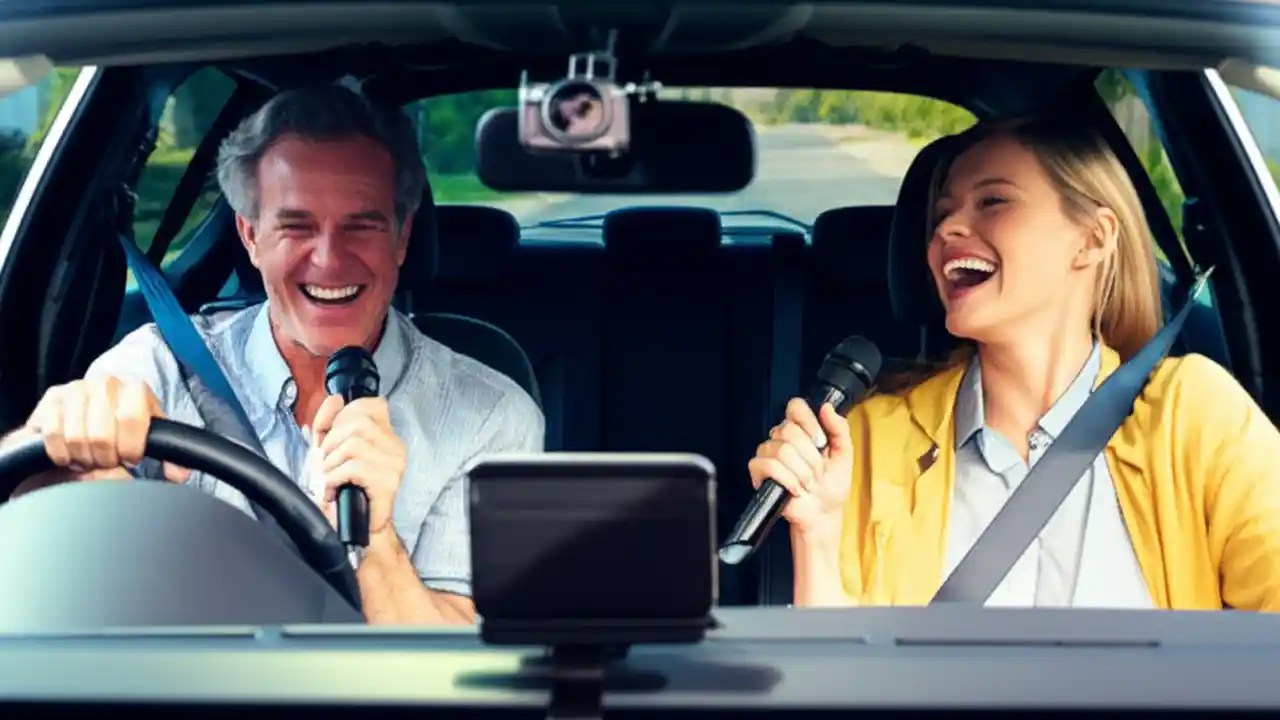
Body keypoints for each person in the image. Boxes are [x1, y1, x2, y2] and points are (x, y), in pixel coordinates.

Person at [0, 85, 546, 625]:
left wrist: (378, 545)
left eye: (362, 225)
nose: (330, 261)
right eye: (296, 226)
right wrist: (53, 445)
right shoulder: (156, 368)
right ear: (250, 235)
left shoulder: (491, 417)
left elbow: (467, 669)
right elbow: (43, 567)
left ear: (402, 238)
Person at [750, 115, 1280, 611]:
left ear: (1093, 239)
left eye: (993, 201)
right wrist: (815, 534)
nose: (946, 230)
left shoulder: (1196, 417)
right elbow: (843, 682)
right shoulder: (863, 442)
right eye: (941, 214)